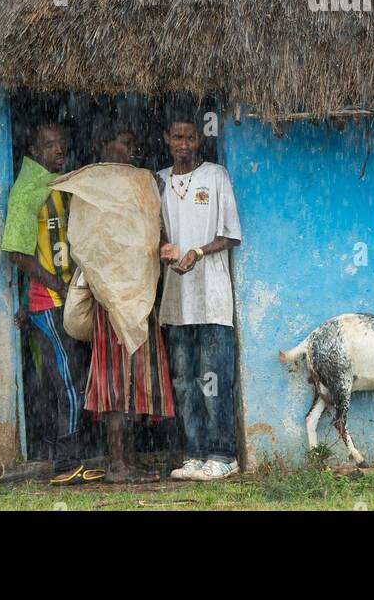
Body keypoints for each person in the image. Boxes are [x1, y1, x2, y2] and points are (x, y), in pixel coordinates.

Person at [2, 120, 96, 482]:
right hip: (50, 301)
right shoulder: (28, 190)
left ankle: (60, 455)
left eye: (63, 144)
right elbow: (17, 254)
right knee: (69, 381)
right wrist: (57, 283)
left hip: (63, 299)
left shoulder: (61, 185)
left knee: (60, 380)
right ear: (35, 150)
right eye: (51, 145)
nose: (60, 150)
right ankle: (64, 463)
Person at [81, 122, 175, 482]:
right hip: (112, 300)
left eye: (134, 142)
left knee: (136, 381)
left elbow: (149, 233)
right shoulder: (94, 187)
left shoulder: (136, 182)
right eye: (127, 141)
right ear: (103, 142)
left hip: (139, 296)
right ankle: (117, 464)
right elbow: (90, 245)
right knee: (116, 383)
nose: (132, 150)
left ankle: (128, 461)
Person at [158, 112, 242, 481]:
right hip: (176, 303)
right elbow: (152, 233)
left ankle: (223, 454)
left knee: (213, 379)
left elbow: (231, 234)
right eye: (177, 137)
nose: (184, 145)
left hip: (212, 300)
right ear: (166, 139)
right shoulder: (157, 182)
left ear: (200, 140)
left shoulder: (216, 176)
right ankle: (193, 453)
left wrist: (199, 252)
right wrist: (161, 247)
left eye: (190, 137)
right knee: (183, 382)